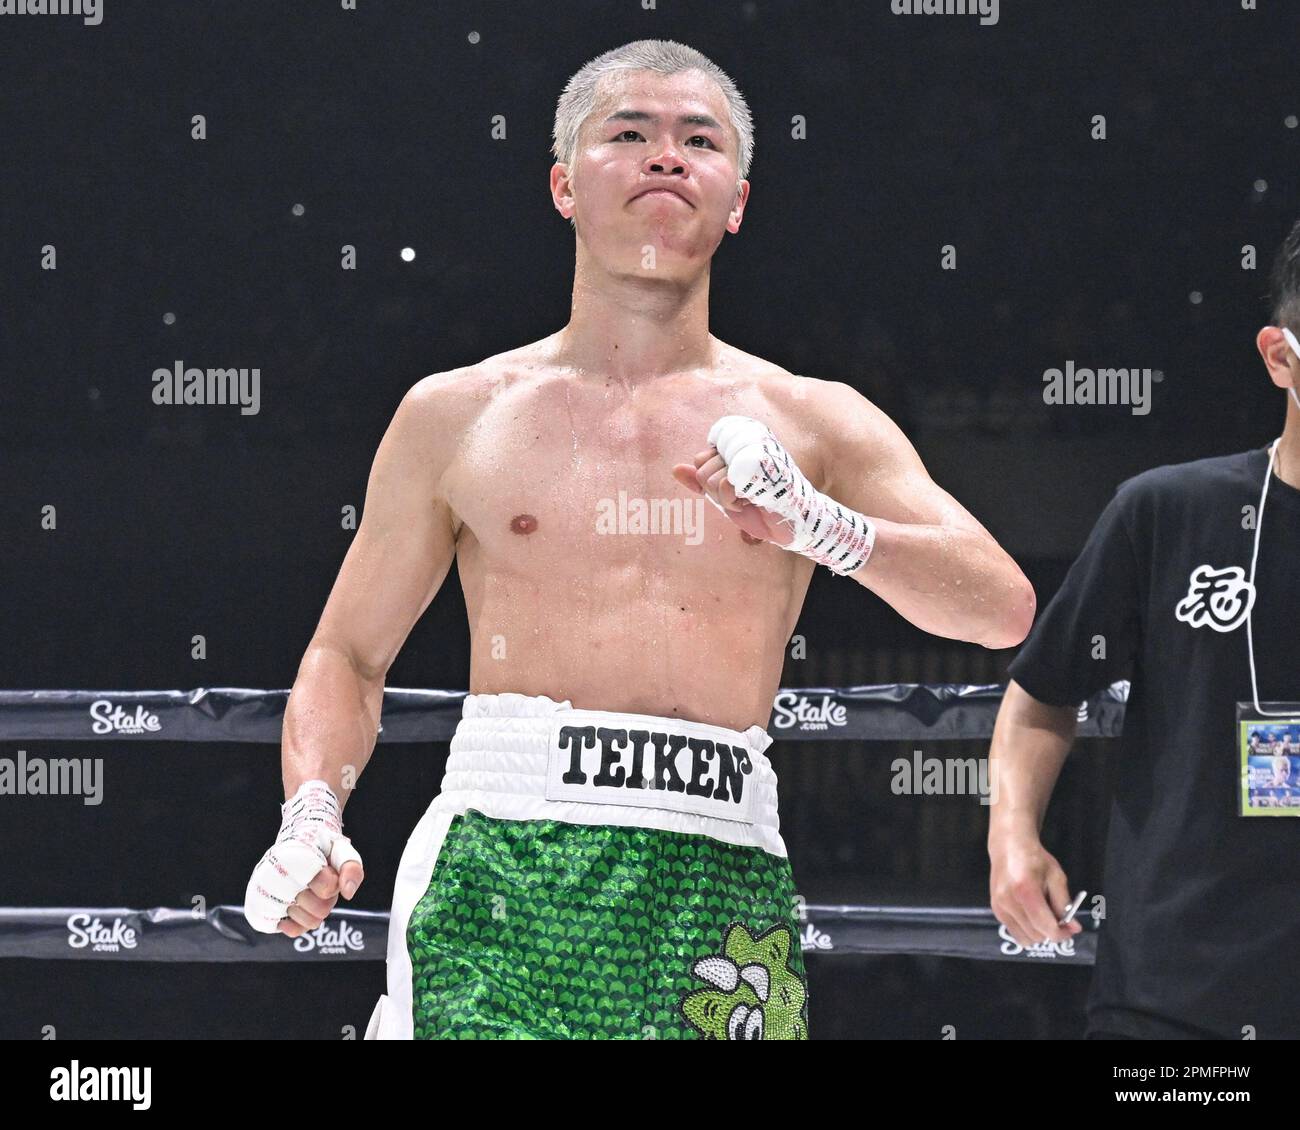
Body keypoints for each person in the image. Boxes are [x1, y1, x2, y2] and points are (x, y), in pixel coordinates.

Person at [243, 38, 1034, 1040]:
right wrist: (312, 810)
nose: (666, 154)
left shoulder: (816, 420)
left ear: (736, 198)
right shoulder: (456, 414)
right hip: (502, 859)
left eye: (698, 139)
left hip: (719, 863)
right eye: (629, 132)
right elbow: (345, 653)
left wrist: (825, 526)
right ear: (563, 184)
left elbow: (998, 606)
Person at [987, 219, 1300, 1040]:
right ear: (1281, 357)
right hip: (1170, 1003)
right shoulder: (1168, 513)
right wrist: (1012, 836)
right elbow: (1040, 693)